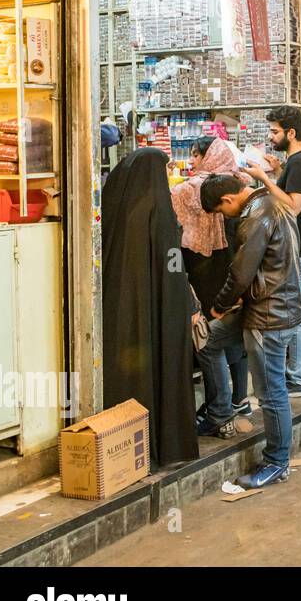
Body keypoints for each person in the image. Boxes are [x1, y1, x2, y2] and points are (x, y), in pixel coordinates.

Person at [200, 173, 301, 488]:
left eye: (220, 211)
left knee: (271, 394)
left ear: (229, 200)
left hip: (268, 316)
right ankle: (220, 413)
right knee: (207, 340)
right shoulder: (271, 201)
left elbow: (242, 272)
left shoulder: (256, 215)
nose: (223, 217)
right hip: (267, 306)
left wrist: (219, 304)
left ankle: (277, 462)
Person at [101, 147, 198, 467]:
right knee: (161, 367)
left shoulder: (118, 207)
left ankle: (123, 441)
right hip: (158, 311)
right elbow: (171, 269)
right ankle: (166, 444)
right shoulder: (159, 211)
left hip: (120, 312)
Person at [247, 107, 301, 399]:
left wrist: (265, 179)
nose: (271, 136)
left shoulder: (300, 163)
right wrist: (278, 171)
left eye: (274, 131)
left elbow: (293, 206)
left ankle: (297, 378)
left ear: (290, 133)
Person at [170, 136, 252, 436]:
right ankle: (237, 400)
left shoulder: (196, 191)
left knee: (208, 342)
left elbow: (179, 242)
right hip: (233, 280)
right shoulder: (241, 184)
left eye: (196, 155)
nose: (192, 161)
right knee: (230, 343)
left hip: (213, 277)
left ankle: (221, 408)